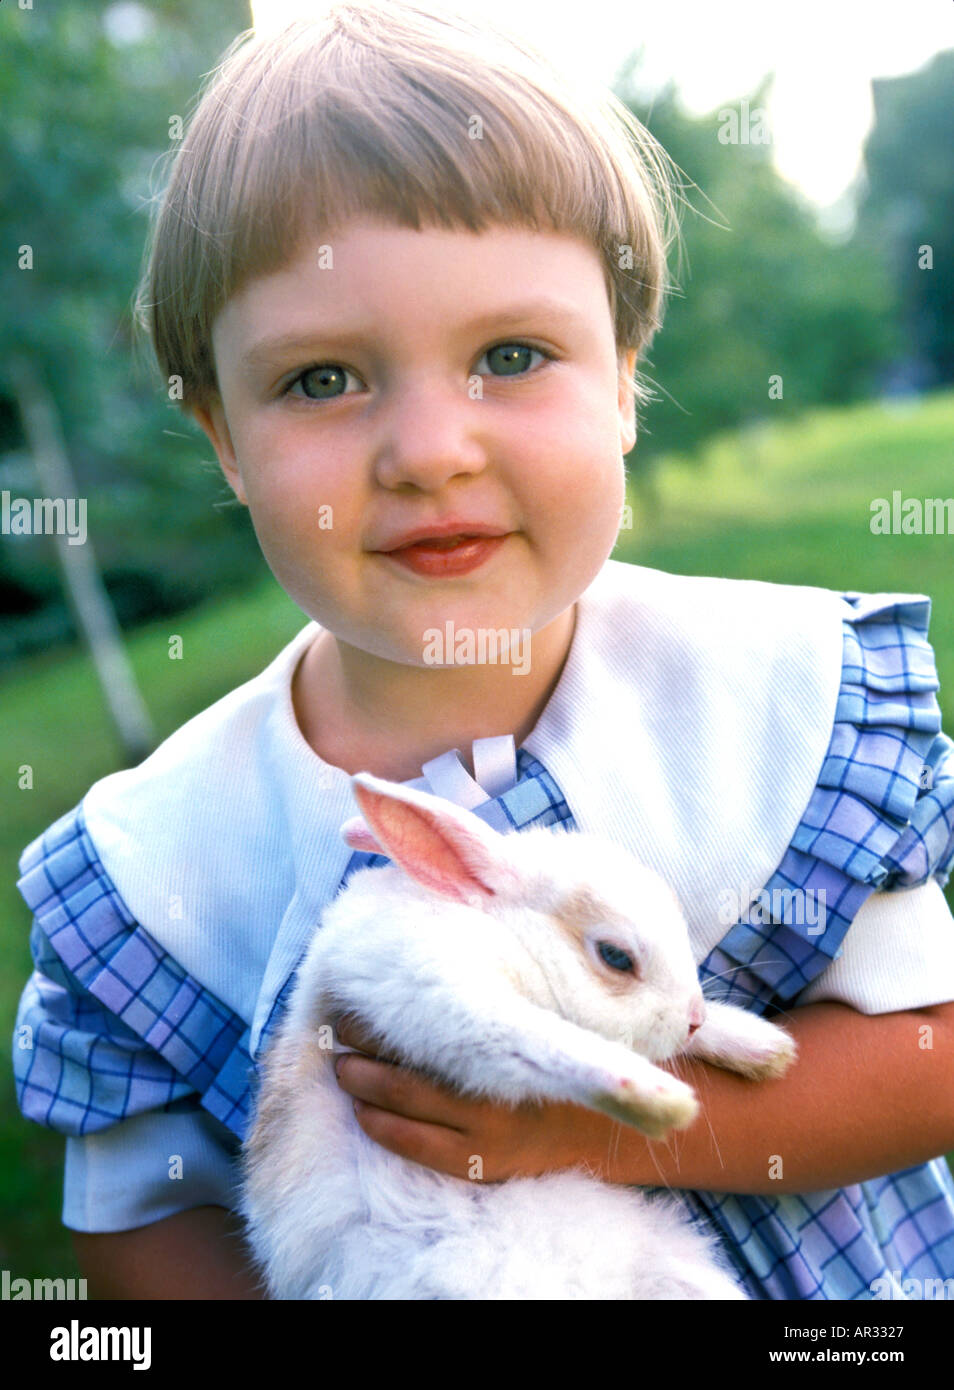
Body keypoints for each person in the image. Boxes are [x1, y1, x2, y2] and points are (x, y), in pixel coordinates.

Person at [12, 0, 954, 1301]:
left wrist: (578, 1124)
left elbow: (930, 1055)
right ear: (224, 436)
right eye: (322, 379)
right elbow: (140, 1217)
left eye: (511, 355)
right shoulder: (165, 863)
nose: (427, 451)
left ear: (624, 380)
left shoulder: (766, 702)